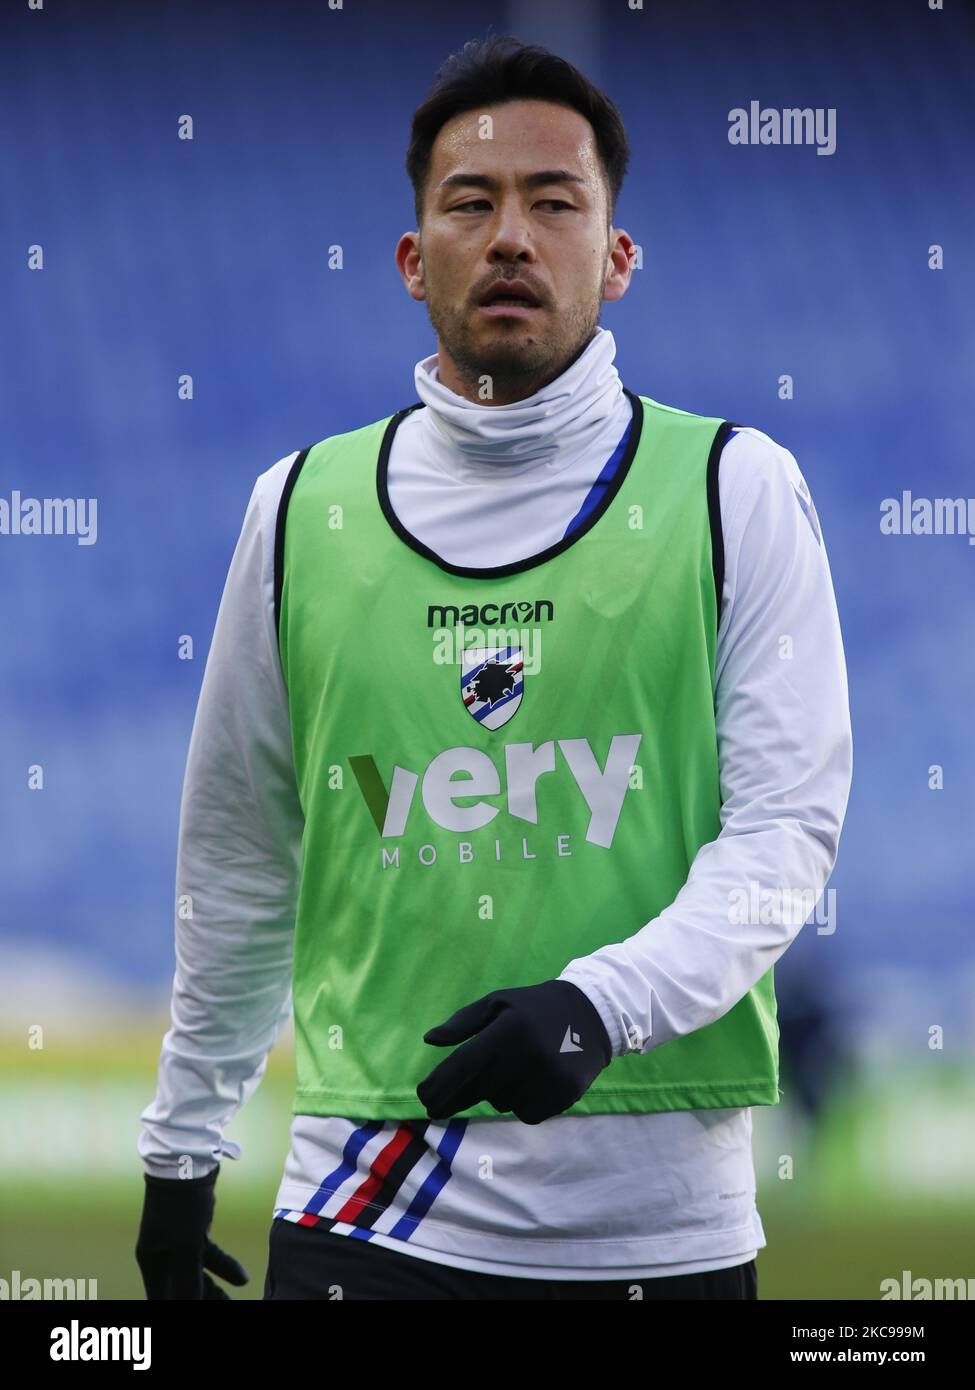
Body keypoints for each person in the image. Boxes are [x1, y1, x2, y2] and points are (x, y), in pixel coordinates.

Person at [136, 34, 853, 1302]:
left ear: (616, 258)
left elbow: (786, 837)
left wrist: (598, 1007)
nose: (512, 234)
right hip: (367, 1208)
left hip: (661, 1236)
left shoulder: (736, 488)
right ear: (416, 262)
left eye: (555, 202)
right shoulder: (300, 508)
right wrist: (185, 1147)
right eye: (471, 203)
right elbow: (241, 855)